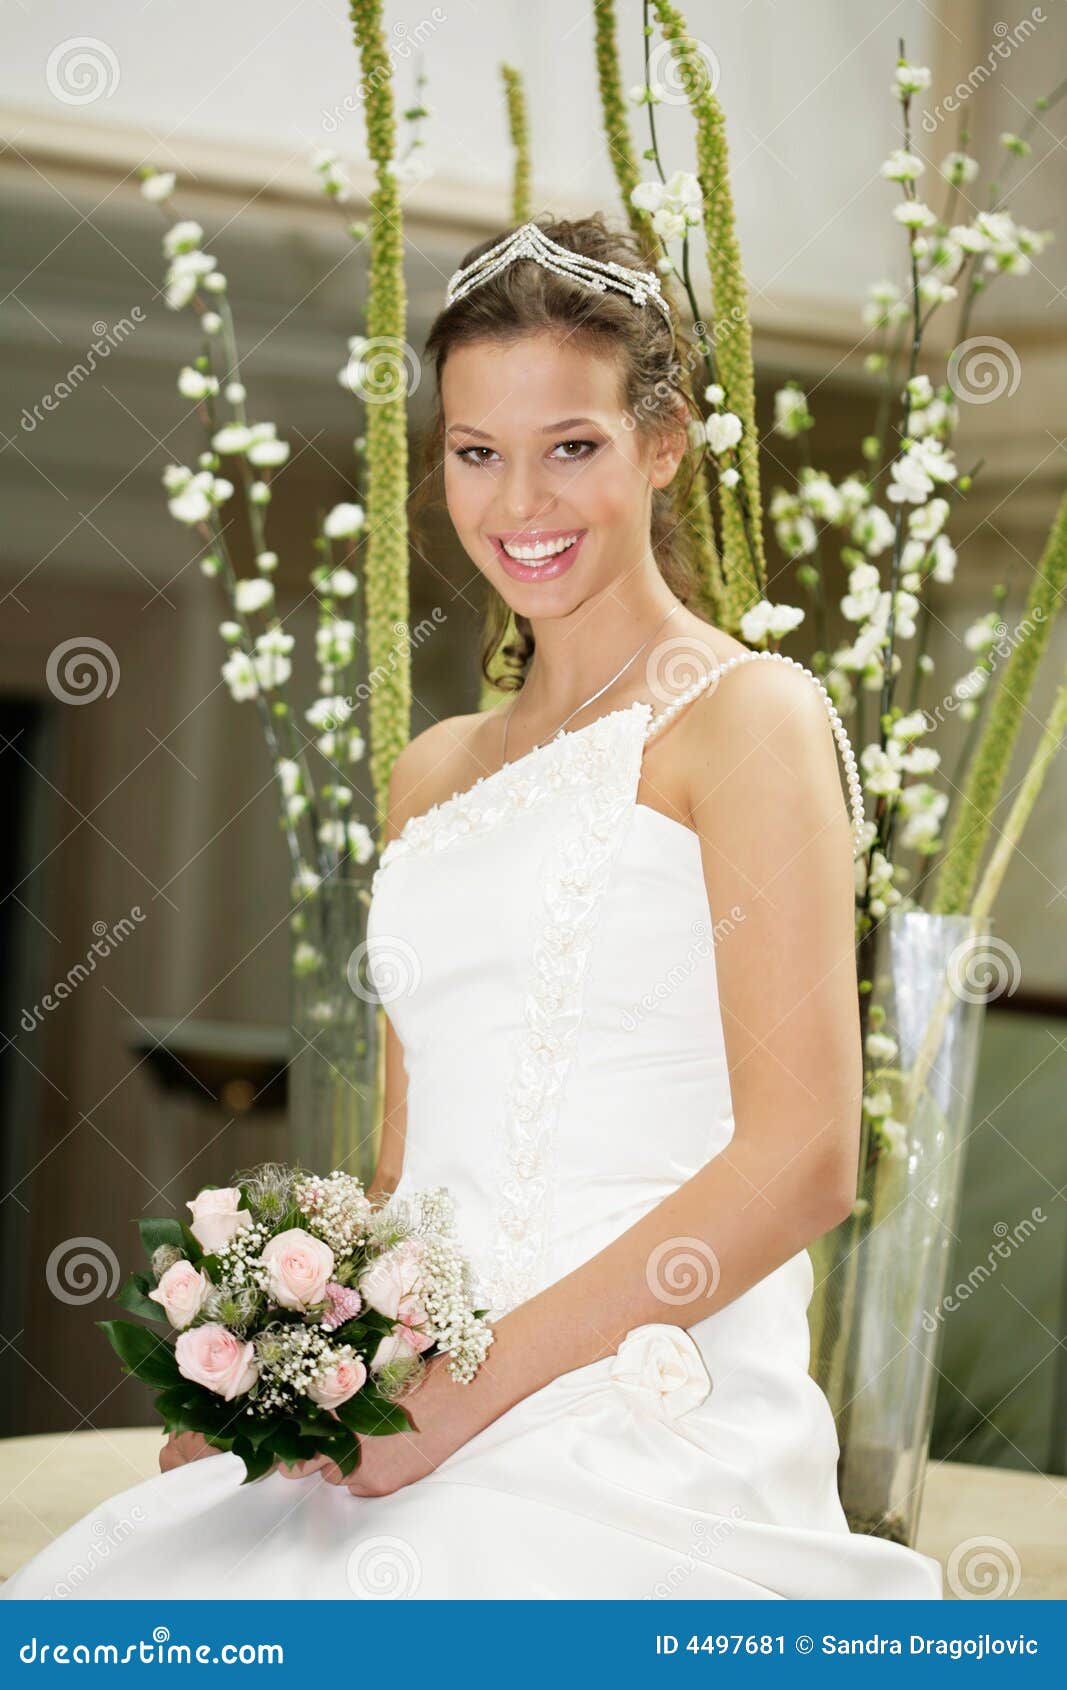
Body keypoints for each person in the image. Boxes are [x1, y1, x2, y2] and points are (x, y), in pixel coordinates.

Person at [1, 215, 942, 1600]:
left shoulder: (746, 716)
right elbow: (401, 1175)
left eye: (573, 445)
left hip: (633, 1410)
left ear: (663, 442)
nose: (520, 505)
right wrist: (291, 1377)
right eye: (475, 452)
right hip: (417, 1398)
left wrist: (468, 1392)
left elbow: (806, 1155)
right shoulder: (431, 771)